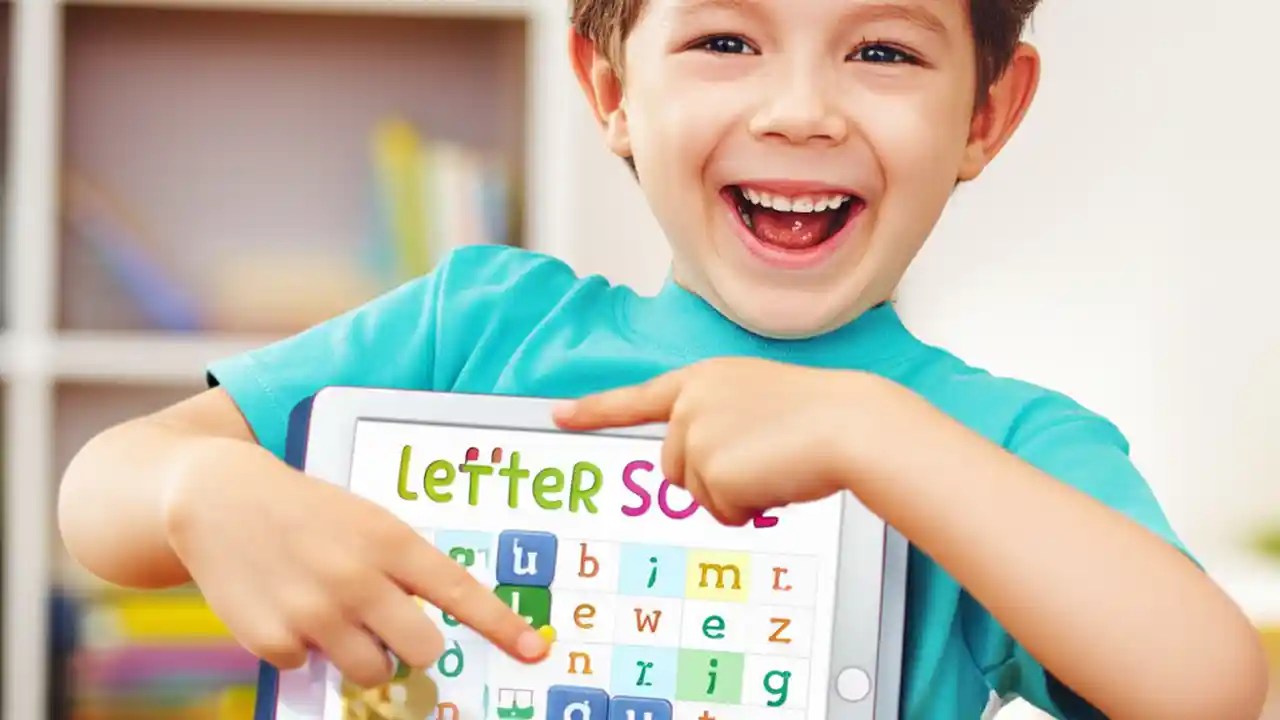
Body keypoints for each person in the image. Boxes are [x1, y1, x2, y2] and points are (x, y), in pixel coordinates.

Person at [59, 0, 1269, 717]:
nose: (801, 110)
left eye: (882, 52)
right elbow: (102, 497)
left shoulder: (1000, 448)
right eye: (727, 39)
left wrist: (871, 434)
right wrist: (199, 485)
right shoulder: (475, 323)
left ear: (984, 117)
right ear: (609, 90)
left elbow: (1210, 688)